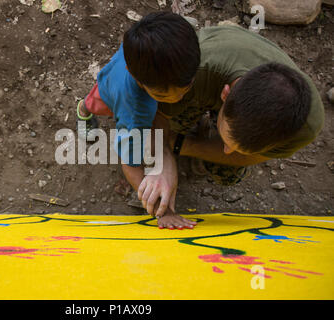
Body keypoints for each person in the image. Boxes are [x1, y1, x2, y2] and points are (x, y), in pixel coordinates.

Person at [134, 25, 325, 229]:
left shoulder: (305, 127)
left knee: (228, 172)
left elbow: (251, 157)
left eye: (232, 146)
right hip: (209, 68)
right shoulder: (193, 75)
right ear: (224, 94)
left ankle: (199, 139)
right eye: (226, 141)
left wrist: (183, 146)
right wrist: (163, 159)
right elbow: (155, 116)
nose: (226, 151)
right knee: (171, 122)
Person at [76, 11, 201, 229]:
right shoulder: (135, 113)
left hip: (116, 71)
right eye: (163, 96)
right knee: (92, 103)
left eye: (187, 87)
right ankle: (83, 112)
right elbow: (130, 163)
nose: (178, 99)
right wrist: (164, 211)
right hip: (109, 93)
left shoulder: (144, 44)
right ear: (136, 77)